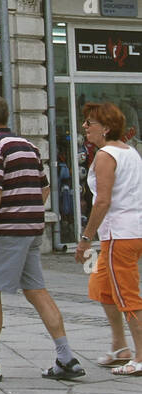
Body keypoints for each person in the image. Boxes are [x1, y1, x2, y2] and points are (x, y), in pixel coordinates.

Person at [0, 95, 84, 382]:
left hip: (6, 231)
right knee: (36, 291)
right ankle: (66, 358)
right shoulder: (29, 146)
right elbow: (44, 188)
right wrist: (29, 211)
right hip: (31, 230)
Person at [75, 103, 142, 376]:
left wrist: (84, 238)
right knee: (102, 287)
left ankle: (139, 356)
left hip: (118, 234)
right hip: (132, 230)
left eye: (90, 123)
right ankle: (120, 346)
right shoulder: (131, 152)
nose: (85, 128)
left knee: (127, 295)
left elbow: (102, 201)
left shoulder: (105, 155)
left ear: (106, 128)